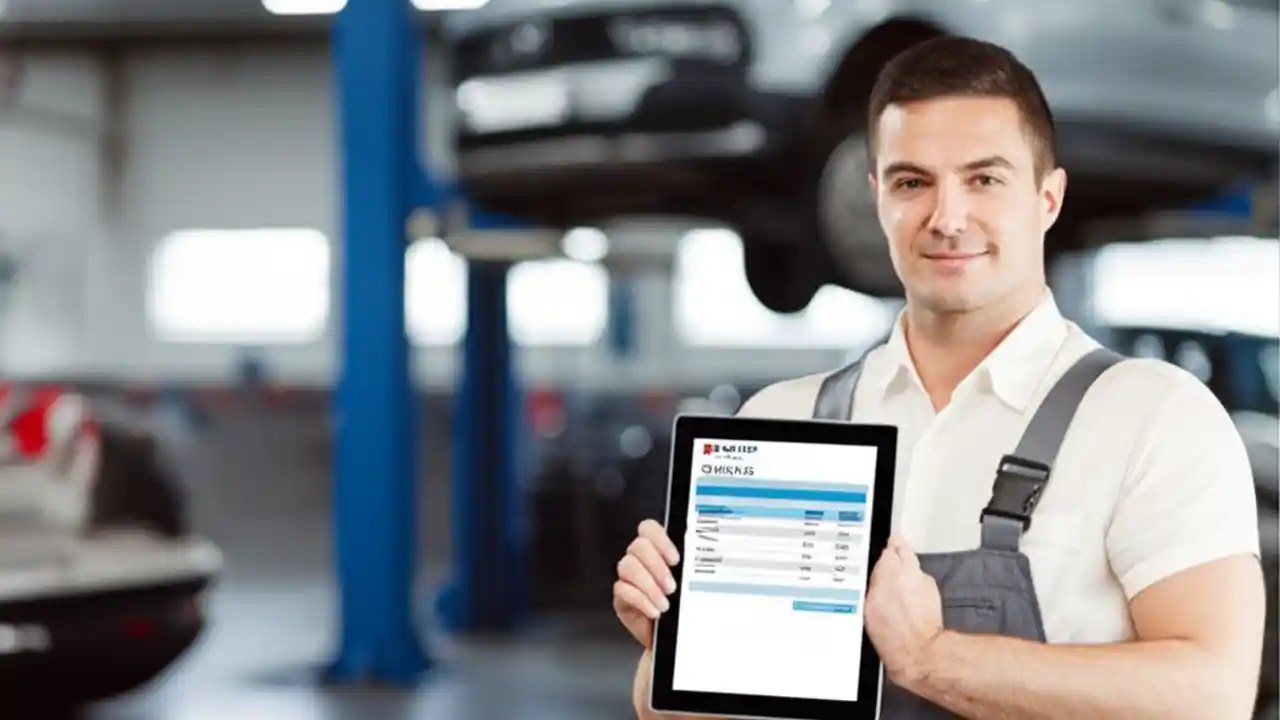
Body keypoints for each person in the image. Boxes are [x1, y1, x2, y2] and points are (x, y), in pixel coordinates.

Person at [613, 36, 1265, 719]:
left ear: (1048, 197)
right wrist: (674, 652)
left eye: (984, 179)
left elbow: (1208, 696)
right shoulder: (783, 425)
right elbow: (680, 712)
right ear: (877, 197)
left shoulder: (1154, 417)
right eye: (912, 182)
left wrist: (930, 656)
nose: (947, 219)